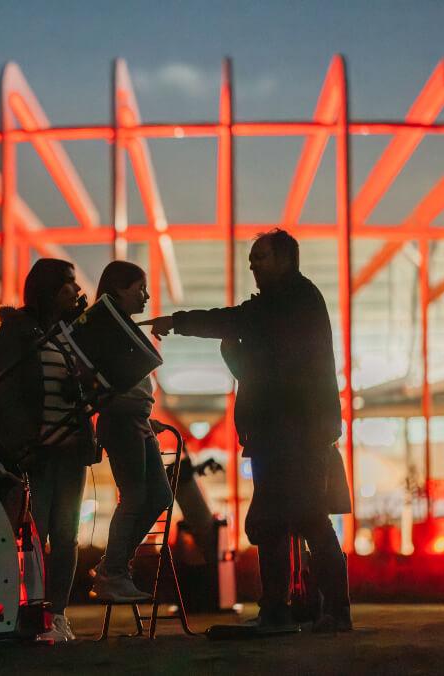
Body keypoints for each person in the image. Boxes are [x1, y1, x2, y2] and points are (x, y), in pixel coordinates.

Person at [141, 228, 352, 633]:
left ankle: (284, 611)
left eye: (262, 257)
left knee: (292, 519)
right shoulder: (292, 301)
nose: (253, 265)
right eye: (253, 258)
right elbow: (240, 328)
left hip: (290, 433)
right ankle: (313, 611)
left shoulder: (288, 303)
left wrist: (192, 330)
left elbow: (241, 330)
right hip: (292, 432)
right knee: (302, 519)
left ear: (286, 260)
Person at [0, 258, 97, 643]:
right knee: (35, 535)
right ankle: (32, 613)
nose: (74, 289)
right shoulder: (19, 329)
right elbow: (10, 391)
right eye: (66, 283)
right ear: (47, 288)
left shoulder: (71, 333)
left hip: (69, 450)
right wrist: (19, 445)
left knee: (66, 536)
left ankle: (58, 614)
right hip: (37, 452)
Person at [89, 261, 173, 603]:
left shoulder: (117, 328)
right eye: (140, 288)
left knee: (159, 496)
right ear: (120, 290)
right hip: (124, 420)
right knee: (136, 495)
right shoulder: (108, 332)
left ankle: (113, 564)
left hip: (136, 419)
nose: (146, 295)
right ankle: (114, 572)